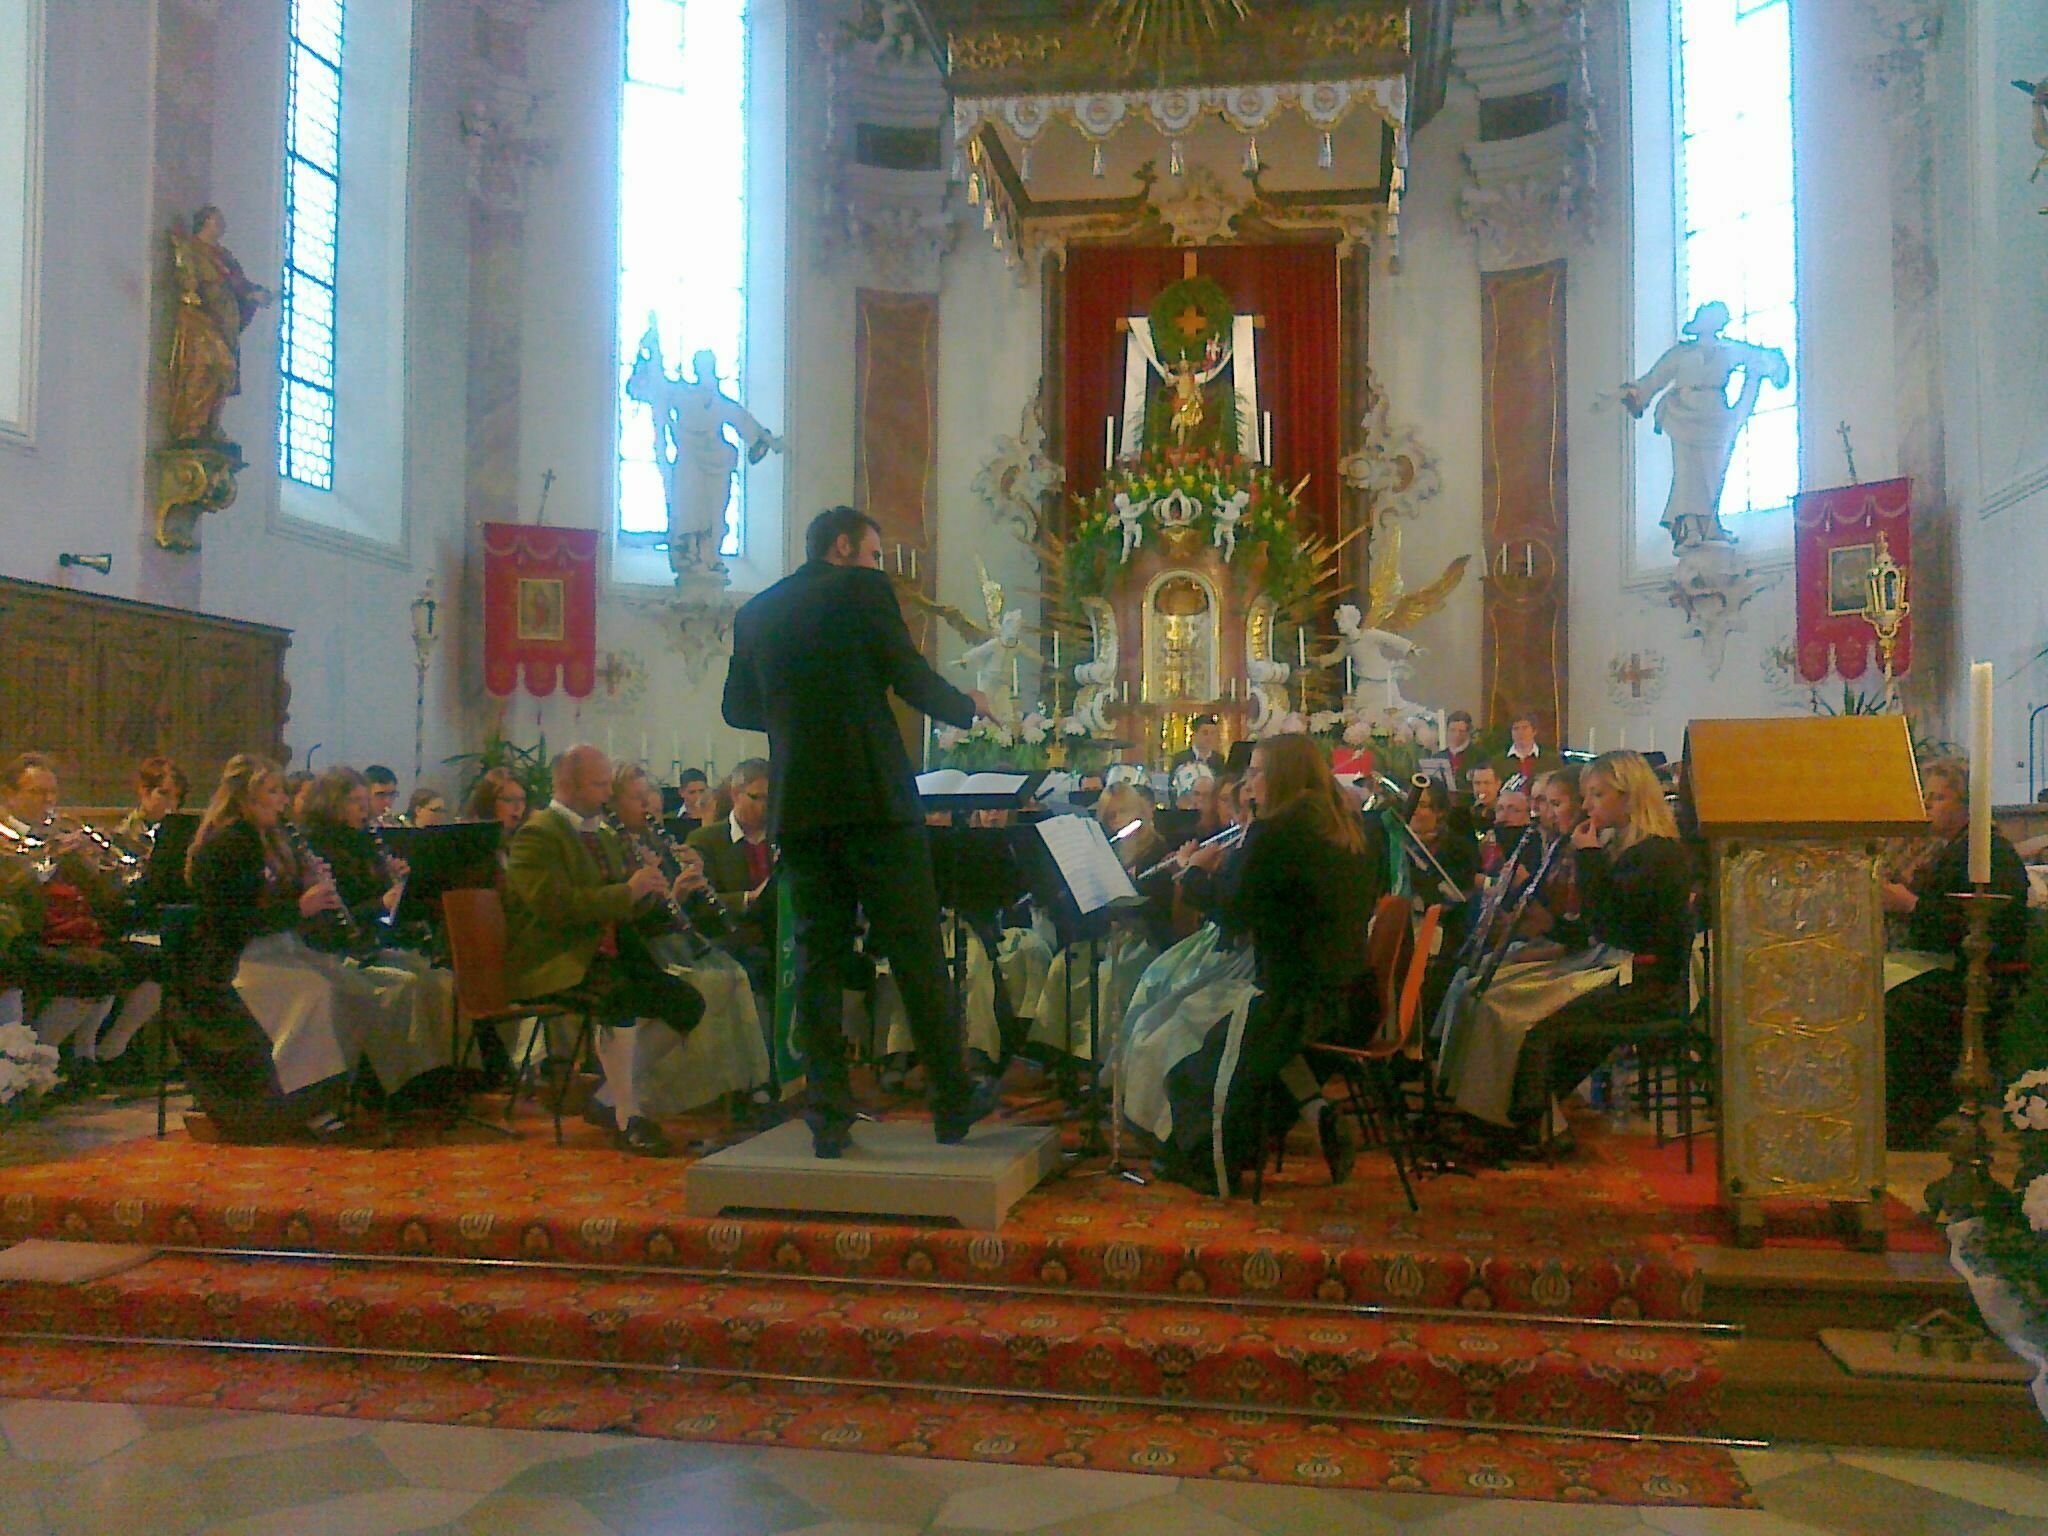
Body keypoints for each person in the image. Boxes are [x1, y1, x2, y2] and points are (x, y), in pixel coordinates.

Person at [722, 504, 1000, 1157]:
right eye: (874, 553)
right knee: (914, 950)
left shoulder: (755, 611)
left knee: (817, 958)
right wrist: (968, 707)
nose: (879, 566)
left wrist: (799, 711)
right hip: (873, 802)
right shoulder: (861, 590)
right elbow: (907, 675)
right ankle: (953, 1101)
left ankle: (827, 1115)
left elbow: (738, 708)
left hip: (802, 809)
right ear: (844, 548)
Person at [1156, 735, 1376, 1195]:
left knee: (1189, 1071)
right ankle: (1316, 1113)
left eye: (1257, 771)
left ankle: (1207, 1165)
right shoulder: (1343, 826)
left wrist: (1196, 871)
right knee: (1243, 1054)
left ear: (1281, 776)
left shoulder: (1277, 832)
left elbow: (1234, 912)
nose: (1250, 781)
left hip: (1296, 997)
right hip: (1351, 994)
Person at [1440, 752, 1691, 1143]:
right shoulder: (1623, 846)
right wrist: (1552, 927)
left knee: (1524, 1019)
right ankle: (1491, 1114)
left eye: (1597, 795)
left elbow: (1611, 926)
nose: (1587, 805)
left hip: (1641, 978)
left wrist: (1588, 858)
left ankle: (1528, 1124)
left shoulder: (1658, 854)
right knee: (1498, 997)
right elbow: (1595, 928)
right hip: (1611, 962)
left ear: (1628, 798)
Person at [179, 755, 407, 1142]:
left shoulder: (271, 837)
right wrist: (299, 906)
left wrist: (309, 887)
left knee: (354, 989)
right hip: (235, 958)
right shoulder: (227, 844)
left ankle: (348, 1095)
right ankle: (304, 1105)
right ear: (244, 797)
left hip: (279, 946)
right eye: (272, 792)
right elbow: (230, 919)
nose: (283, 801)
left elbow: (281, 904)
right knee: (316, 993)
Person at [503, 745, 707, 1156]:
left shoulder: (603, 833)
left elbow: (625, 904)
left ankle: (608, 1098)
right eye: (598, 786)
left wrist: (654, 892)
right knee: (618, 999)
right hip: (559, 958)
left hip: (610, 952)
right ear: (567, 785)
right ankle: (627, 1117)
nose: (604, 795)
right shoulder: (537, 834)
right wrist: (625, 891)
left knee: (685, 1003)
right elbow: (554, 906)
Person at [607, 763, 772, 1125]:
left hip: (677, 940)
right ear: (615, 802)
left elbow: (689, 914)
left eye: (650, 795)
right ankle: (633, 1091)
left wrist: (696, 881)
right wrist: (676, 894)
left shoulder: (654, 841)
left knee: (737, 975)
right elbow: (636, 919)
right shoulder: (612, 843)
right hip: (645, 948)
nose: (648, 805)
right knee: (724, 980)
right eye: (637, 797)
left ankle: (750, 1082)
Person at [1881, 759, 2031, 1148]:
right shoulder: (1954, 849)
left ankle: (1906, 1121)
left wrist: (1910, 905)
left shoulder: (1988, 851)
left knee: (1896, 1002)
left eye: (1940, 796)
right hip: (1952, 966)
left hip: (1985, 977)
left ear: (1967, 802)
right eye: (1926, 796)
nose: (1930, 805)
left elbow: (1979, 929)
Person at [296, 768, 451, 1100]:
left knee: (435, 978)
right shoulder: (318, 844)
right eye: (354, 801)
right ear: (330, 803)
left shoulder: (363, 839)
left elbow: (377, 909)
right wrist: (382, 901)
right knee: (406, 985)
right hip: (336, 948)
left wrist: (395, 880)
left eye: (364, 801)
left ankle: (438, 1075)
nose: (363, 810)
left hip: (366, 943)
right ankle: (395, 1085)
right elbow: (341, 915)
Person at [685, 760, 778, 993]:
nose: (766, 806)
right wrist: (748, 898)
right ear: (736, 794)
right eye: (758, 797)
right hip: (731, 943)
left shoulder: (781, 837)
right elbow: (699, 905)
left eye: (771, 798)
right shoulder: (706, 840)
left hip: (780, 939)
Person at [1495, 715, 1562, 795]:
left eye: (1525, 728)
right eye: (1516, 729)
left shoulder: (1552, 761)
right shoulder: (1498, 763)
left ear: (1534, 731)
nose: (1520, 732)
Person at [667, 769, 711, 839]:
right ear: (681, 792)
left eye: (702, 791)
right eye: (692, 792)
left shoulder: (717, 818)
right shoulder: (669, 819)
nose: (698, 796)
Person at [1442, 710, 1477, 788]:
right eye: (1452, 730)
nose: (1456, 735)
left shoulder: (1479, 756)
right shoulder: (1438, 756)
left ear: (1468, 732)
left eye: (1461, 731)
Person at [1466, 764, 1501, 834]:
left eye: (1487, 783)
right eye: (1477, 783)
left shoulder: (1505, 815)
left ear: (1498, 784)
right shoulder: (1466, 815)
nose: (1482, 788)